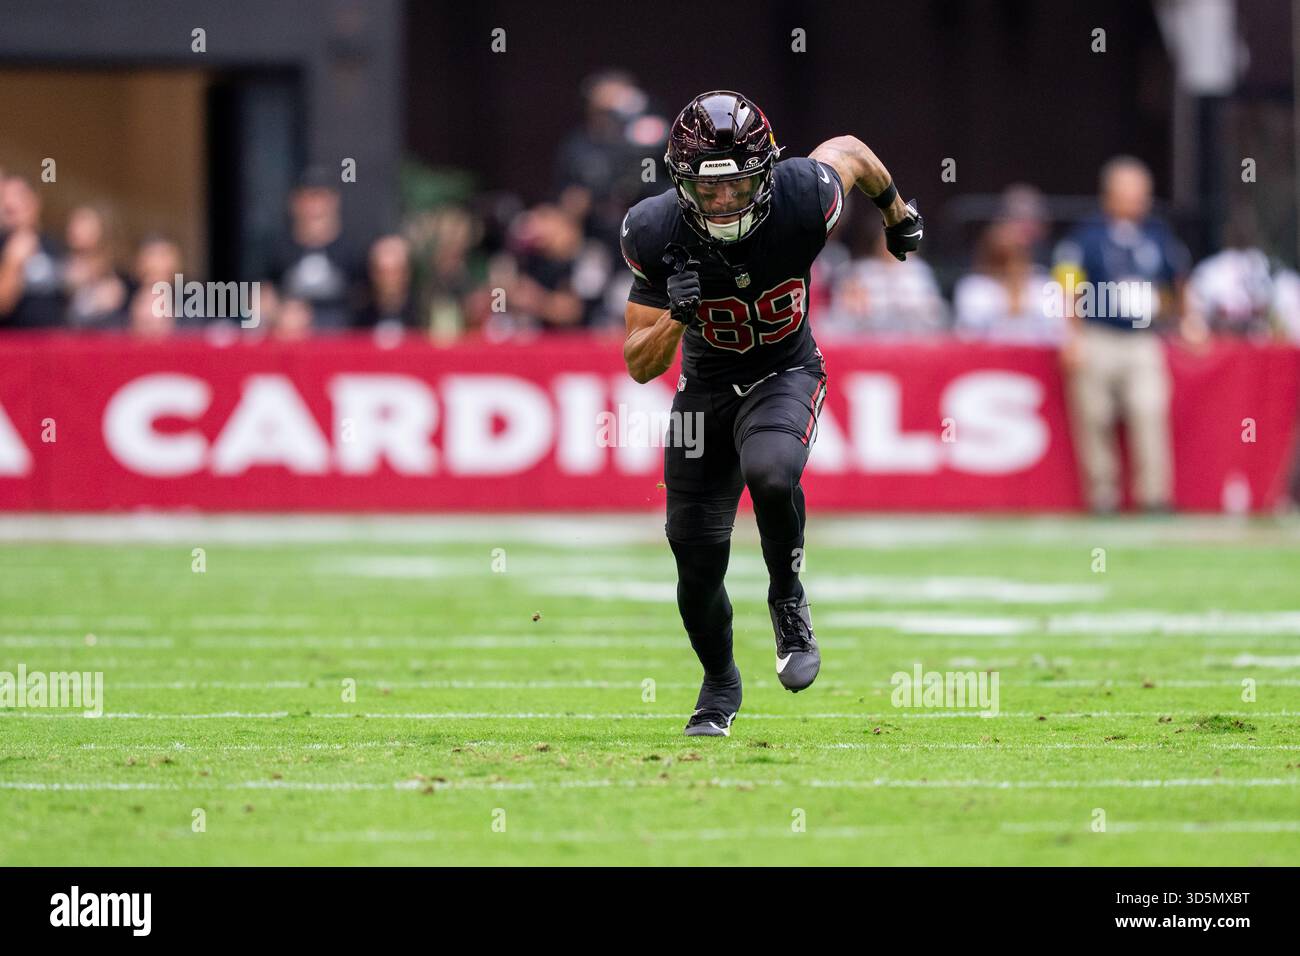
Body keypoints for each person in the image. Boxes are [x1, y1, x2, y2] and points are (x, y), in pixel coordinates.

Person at [620, 90, 922, 736]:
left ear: (766, 173)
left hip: (784, 370)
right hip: (704, 391)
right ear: (681, 183)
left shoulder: (804, 196)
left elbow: (850, 151)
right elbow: (639, 364)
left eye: (739, 186)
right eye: (709, 190)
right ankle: (719, 684)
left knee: (775, 471)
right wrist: (676, 315)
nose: (725, 202)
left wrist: (897, 213)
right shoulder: (654, 230)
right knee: (695, 556)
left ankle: (787, 598)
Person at [1053, 156, 1196, 514]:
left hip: (1142, 339)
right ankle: (1103, 496)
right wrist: (1072, 335)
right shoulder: (1087, 236)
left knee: (1149, 410)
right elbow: (1069, 285)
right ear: (1110, 194)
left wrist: (1189, 320)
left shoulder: (1157, 235)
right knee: (1094, 415)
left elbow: (1178, 279)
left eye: (1141, 194)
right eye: (1130, 193)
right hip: (1098, 334)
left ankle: (1154, 496)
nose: (1137, 200)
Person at [953, 219, 1061, 344]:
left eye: (1015, 254)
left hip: (1036, 357)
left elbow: (1058, 333)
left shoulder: (1042, 284)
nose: (1010, 264)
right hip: (989, 359)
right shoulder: (974, 288)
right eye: (1002, 258)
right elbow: (968, 335)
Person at [0, 176, 67, 328]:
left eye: (18, 195)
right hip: (12, 344)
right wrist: (13, 262)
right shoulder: (2, 244)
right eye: (5, 197)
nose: (10, 203)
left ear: (35, 201)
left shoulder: (54, 245)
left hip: (52, 342)